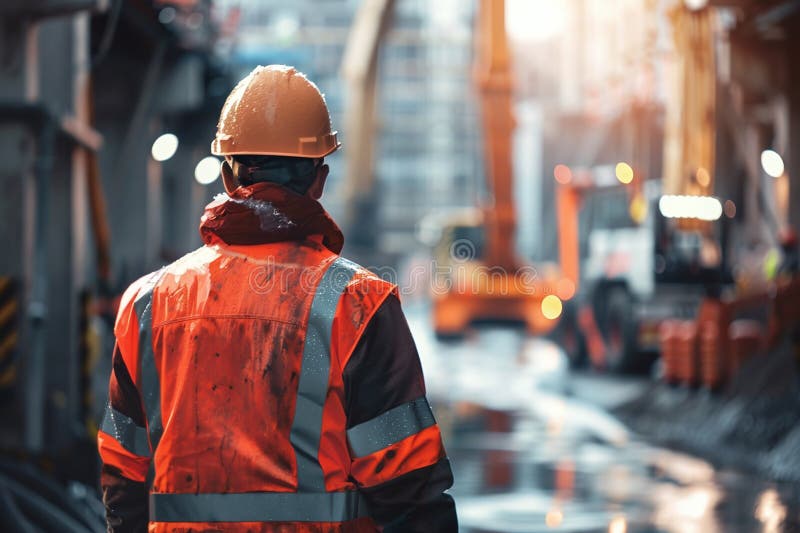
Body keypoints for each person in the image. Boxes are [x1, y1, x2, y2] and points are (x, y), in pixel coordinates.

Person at [97, 65, 457, 532]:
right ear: (319, 179)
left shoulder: (146, 305)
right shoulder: (359, 305)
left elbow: (123, 478)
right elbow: (410, 487)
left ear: (228, 177)